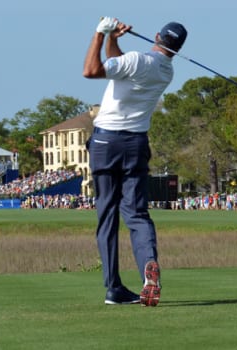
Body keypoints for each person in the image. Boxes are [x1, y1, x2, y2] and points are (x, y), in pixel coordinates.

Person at [83, 17, 187, 306]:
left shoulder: (136, 60)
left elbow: (91, 71)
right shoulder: (166, 71)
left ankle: (113, 288)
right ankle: (148, 265)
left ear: (156, 36)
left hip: (106, 143)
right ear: (177, 49)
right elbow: (119, 67)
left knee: (107, 215)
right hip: (136, 144)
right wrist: (114, 40)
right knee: (137, 214)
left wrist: (99, 34)